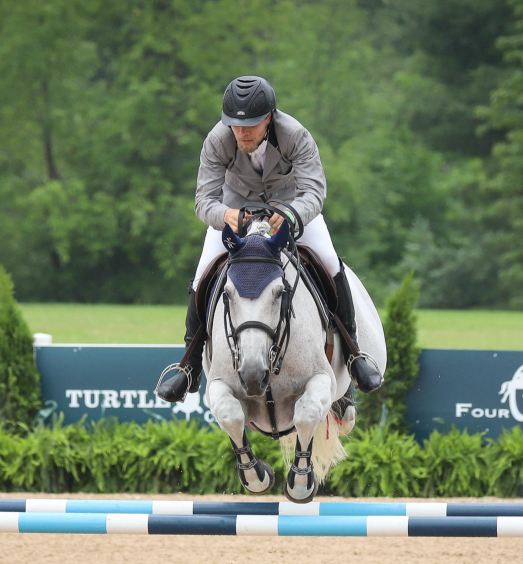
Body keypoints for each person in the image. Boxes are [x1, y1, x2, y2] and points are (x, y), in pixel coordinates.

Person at [156, 75, 382, 403]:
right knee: (203, 273)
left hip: (291, 210)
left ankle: (353, 354)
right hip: (236, 214)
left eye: (250, 125)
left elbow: (315, 190)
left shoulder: (295, 135)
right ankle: (189, 364)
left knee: (331, 263)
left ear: (269, 118)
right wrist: (225, 216)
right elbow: (203, 201)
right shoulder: (217, 140)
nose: (242, 133)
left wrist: (292, 213)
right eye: (235, 125)